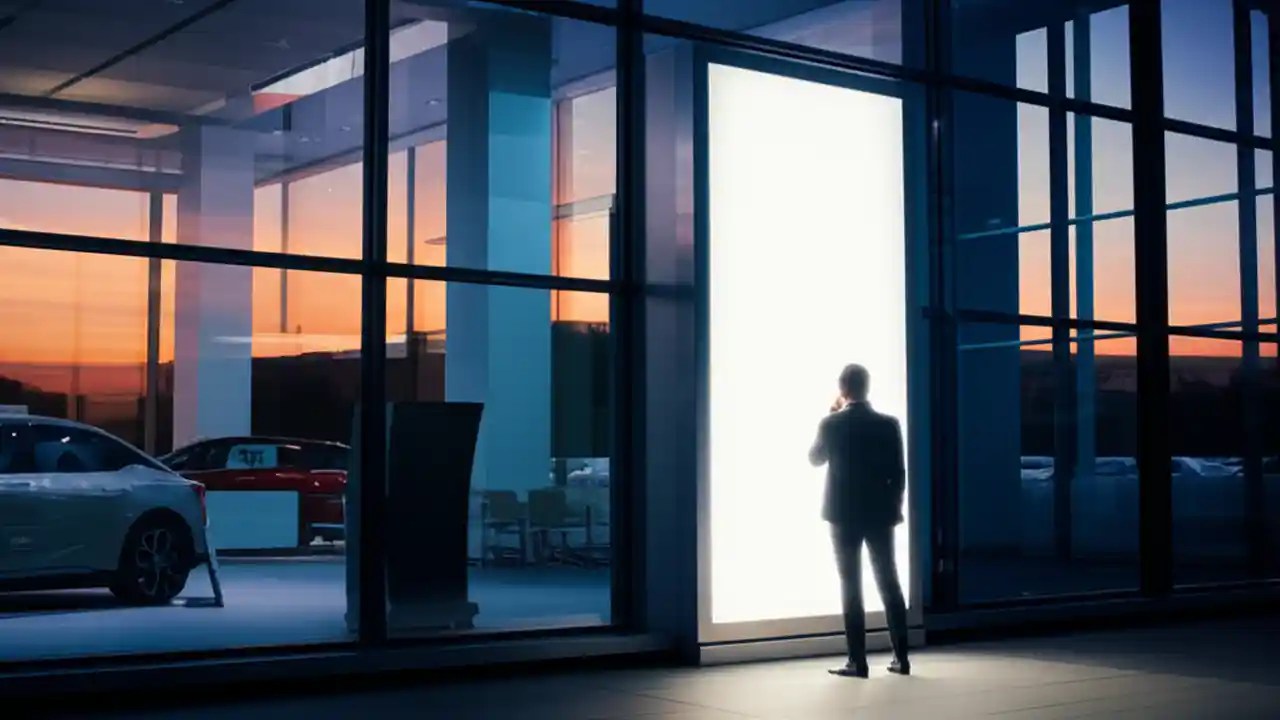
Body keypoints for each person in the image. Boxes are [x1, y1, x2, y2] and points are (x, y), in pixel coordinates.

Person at [808, 363, 909, 678]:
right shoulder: (889, 425)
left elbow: (815, 458)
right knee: (889, 583)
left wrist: (830, 412)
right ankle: (901, 659)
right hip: (880, 514)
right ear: (867, 387)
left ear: (843, 388)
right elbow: (899, 474)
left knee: (850, 585)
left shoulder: (832, 424)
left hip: (843, 516)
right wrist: (892, 506)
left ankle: (857, 661)